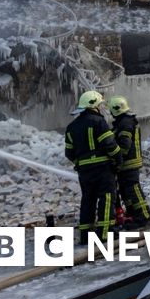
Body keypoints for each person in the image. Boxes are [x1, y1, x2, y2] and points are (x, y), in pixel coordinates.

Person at [64, 90, 121, 243]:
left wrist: (80, 163)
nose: (102, 108)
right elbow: (110, 145)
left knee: (88, 200)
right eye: (100, 105)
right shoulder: (98, 122)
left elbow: (69, 153)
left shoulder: (72, 127)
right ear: (94, 105)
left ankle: (85, 236)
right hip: (103, 169)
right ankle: (104, 234)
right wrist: (118, 159)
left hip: (84, 172)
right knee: (107, 198)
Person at [108, 95, 150, 228]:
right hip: (126, 165)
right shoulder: (124, 121)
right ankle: (133, 215)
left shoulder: (125, 123)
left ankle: (143, 216)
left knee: (133, 190)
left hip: (129, 164)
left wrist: (117, 158)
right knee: (125, 191)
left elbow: (125, 144)